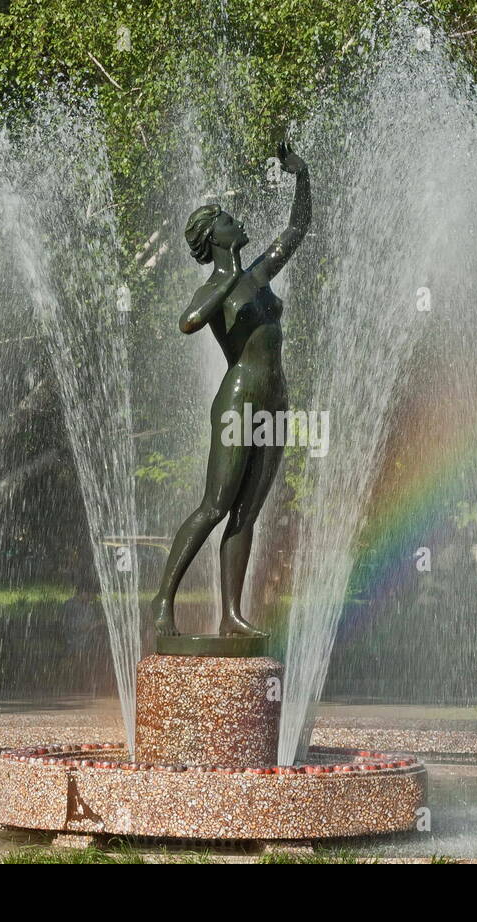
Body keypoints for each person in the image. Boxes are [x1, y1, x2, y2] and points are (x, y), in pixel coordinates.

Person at [150, 141, 311, 639]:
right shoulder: (213, 290)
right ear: (213, 237)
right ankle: (163, 599)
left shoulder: (259, 274)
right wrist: (224, 277)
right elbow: (188, 322)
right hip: (238, 399)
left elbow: (297, 228)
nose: (237, 222)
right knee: (216, 505)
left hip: (275, 401)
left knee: (247, 512)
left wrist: (301, 175)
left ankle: (231, 615)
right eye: (227, 220)